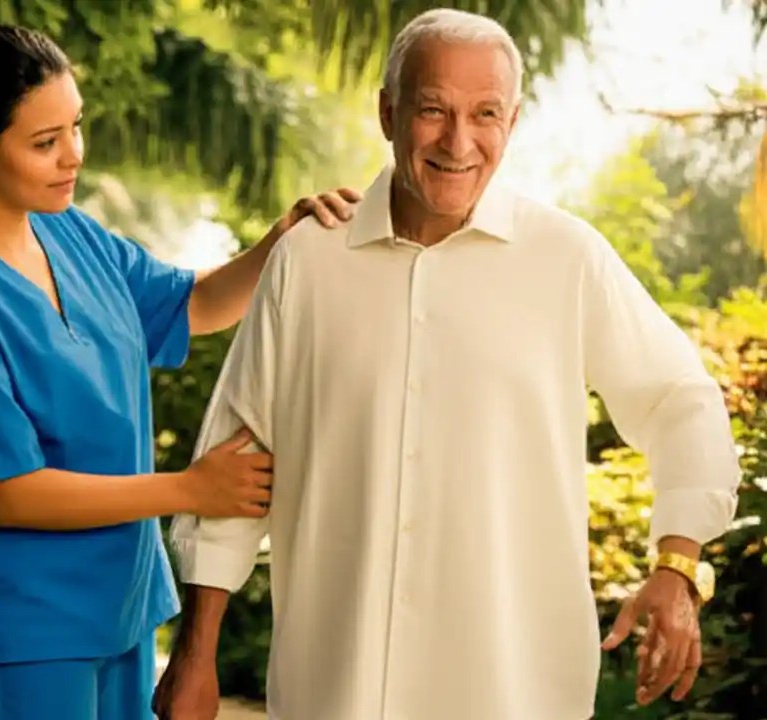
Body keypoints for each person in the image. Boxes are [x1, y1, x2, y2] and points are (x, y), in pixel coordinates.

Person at [153, 8, 741, 720]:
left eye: (485, 113)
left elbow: (680, 398)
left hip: (514, 695)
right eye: (433, 110)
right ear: (388, 113)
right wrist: (195, 655)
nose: (458, 142)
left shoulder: (567, 258)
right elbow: (236, 465)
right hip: (334, 690)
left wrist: (677, 565)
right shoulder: (305, 262)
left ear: (512, 122)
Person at [0, 23, 360, 720]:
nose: (73, 154)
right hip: (12, 633)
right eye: (45, 142)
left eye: (75, 127)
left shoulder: (67, 232)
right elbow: (11, 495)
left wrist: (281, 244)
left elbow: (193, 304)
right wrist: (191, 488)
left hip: (119, 611)